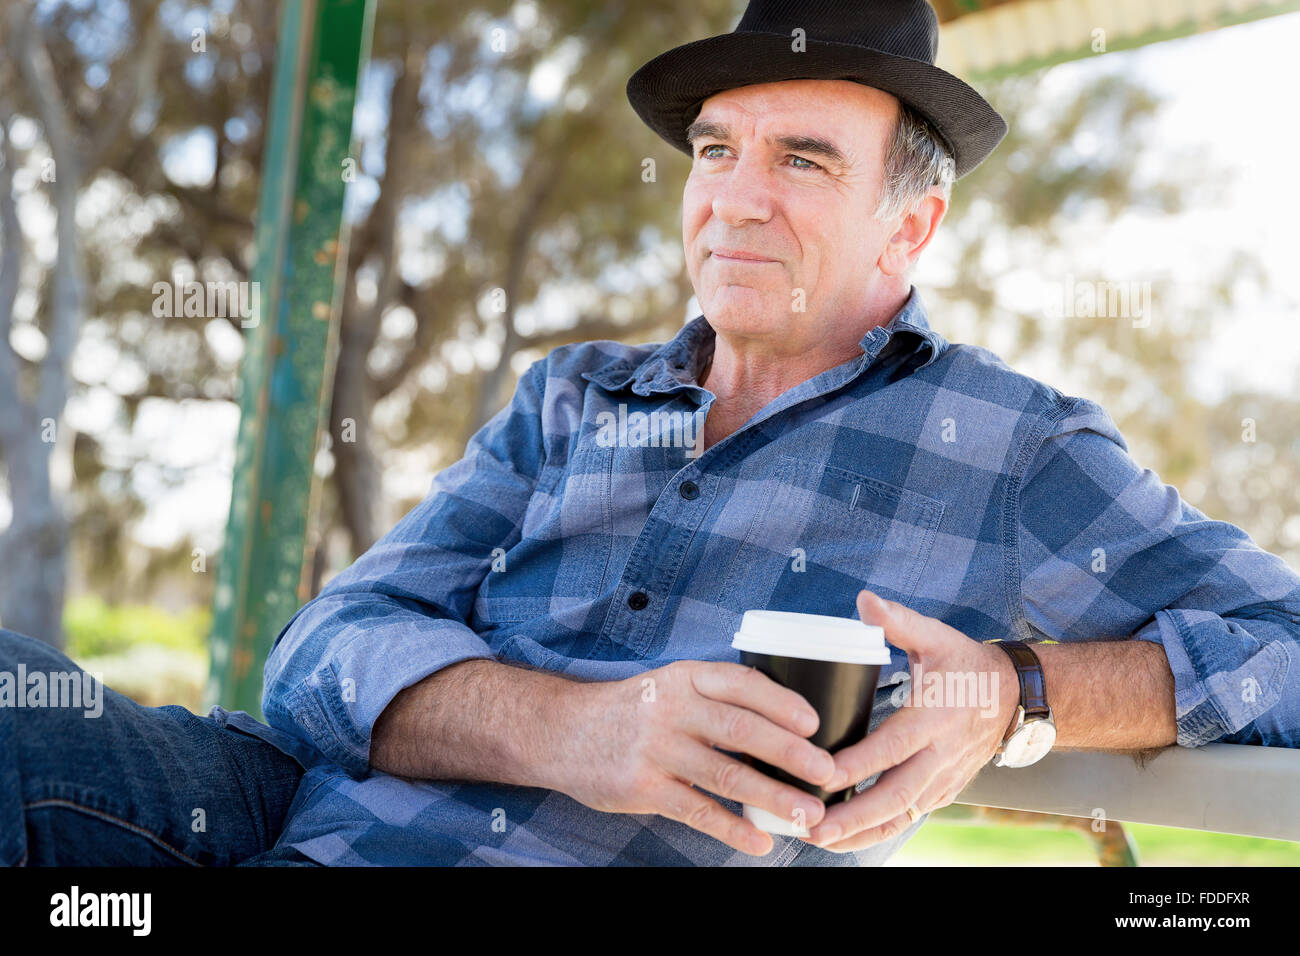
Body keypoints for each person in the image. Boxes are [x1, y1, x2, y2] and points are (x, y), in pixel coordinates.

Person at [5, 0, 1298, 867]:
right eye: (717, 149)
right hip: (262, 811)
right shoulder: (569, 397)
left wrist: (1019, 693)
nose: (734, 199)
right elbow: (317, 657)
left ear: (911, 226)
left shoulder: (1010, 447)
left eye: (803, 161)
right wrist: (581, 729)